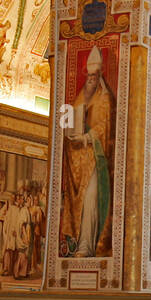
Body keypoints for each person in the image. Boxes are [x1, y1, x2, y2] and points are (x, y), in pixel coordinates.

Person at [62, 45, 114, 257]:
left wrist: (87, 137)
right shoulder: (80, 98)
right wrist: (72, 136)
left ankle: (88, 244)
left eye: (95, 75)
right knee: (79, 202)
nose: (91, 79)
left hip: (96, 159)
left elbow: (105, 126)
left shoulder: (105, 98)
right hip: (78, 161)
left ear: (100, 75)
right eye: (89, 75)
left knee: (91, 198)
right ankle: (78, 243)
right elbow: (69, 121)